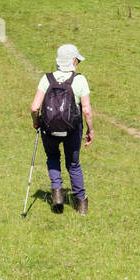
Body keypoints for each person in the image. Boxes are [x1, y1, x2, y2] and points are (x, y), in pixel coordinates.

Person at [28, 44, 94, 214]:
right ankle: (81, 204)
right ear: (73, 61)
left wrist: (36, 122)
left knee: (52, 156)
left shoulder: (46, 79)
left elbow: (34, 107)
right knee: (73, 164)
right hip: (73, 130)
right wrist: (90, 130)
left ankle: (57, 195)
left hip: (49, 129)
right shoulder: (80, 80)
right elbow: (86, 110)